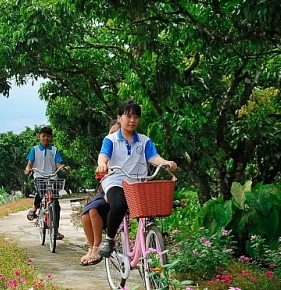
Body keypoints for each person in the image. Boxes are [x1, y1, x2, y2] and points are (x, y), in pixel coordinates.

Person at [97, 101, 177, 258]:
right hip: (116, 180)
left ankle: (151, 241)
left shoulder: (144, 140)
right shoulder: (111, 139)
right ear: (119, 118)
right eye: (128, 116)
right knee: (119, 206)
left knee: (150, 210)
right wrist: (102, 165)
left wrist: (166, 163)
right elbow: (103, 155)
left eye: (136, 117)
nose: (132, 120)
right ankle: (109, 239)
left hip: (139, 182)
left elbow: (153, 157)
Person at [79, 119, 120, 266]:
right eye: (111, 133)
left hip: (123, 189)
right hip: (108, 189)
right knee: (85, 214)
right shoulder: (107, 153)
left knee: (94, 209)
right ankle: (92, 248)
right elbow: (102, 177)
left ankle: (96, 247)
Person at [25, 126, 70, 240]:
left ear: (51, 137)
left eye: (48, 136)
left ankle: (56, 230)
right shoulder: (34, 150)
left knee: (56, 203)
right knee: (41, 192)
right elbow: (30, 164)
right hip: (39, 175)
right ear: (39, 136)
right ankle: (34, 209)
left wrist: (63, 168)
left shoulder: (54, 150)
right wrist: (28, 169)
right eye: (43, 136)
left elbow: (58, 164)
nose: (46, 138)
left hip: (52, 176)